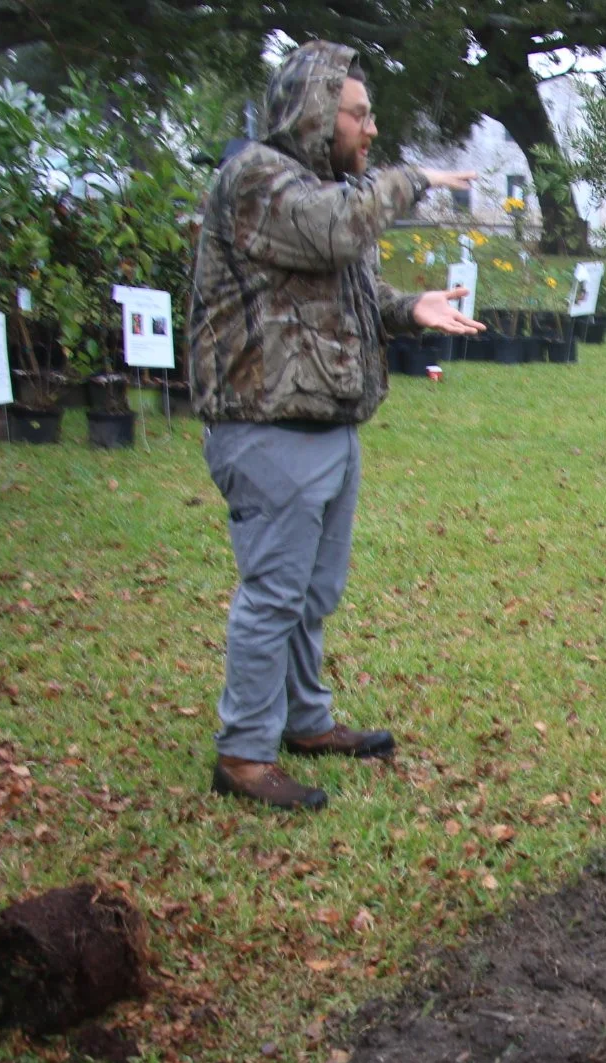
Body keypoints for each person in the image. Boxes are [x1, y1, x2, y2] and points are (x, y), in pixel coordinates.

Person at [190, 40, 481, 811]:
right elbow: (335, 231)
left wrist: (405, 307)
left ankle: (304, 718)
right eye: (358, 113)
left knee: (312, 593)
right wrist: (412, 180)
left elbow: (345, 282)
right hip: (268, 427)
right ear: (316, 111)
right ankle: (244, 753)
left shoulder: (321, 189)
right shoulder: (256, 178)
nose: (370, 129)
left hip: (325, 426)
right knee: (274, 593)